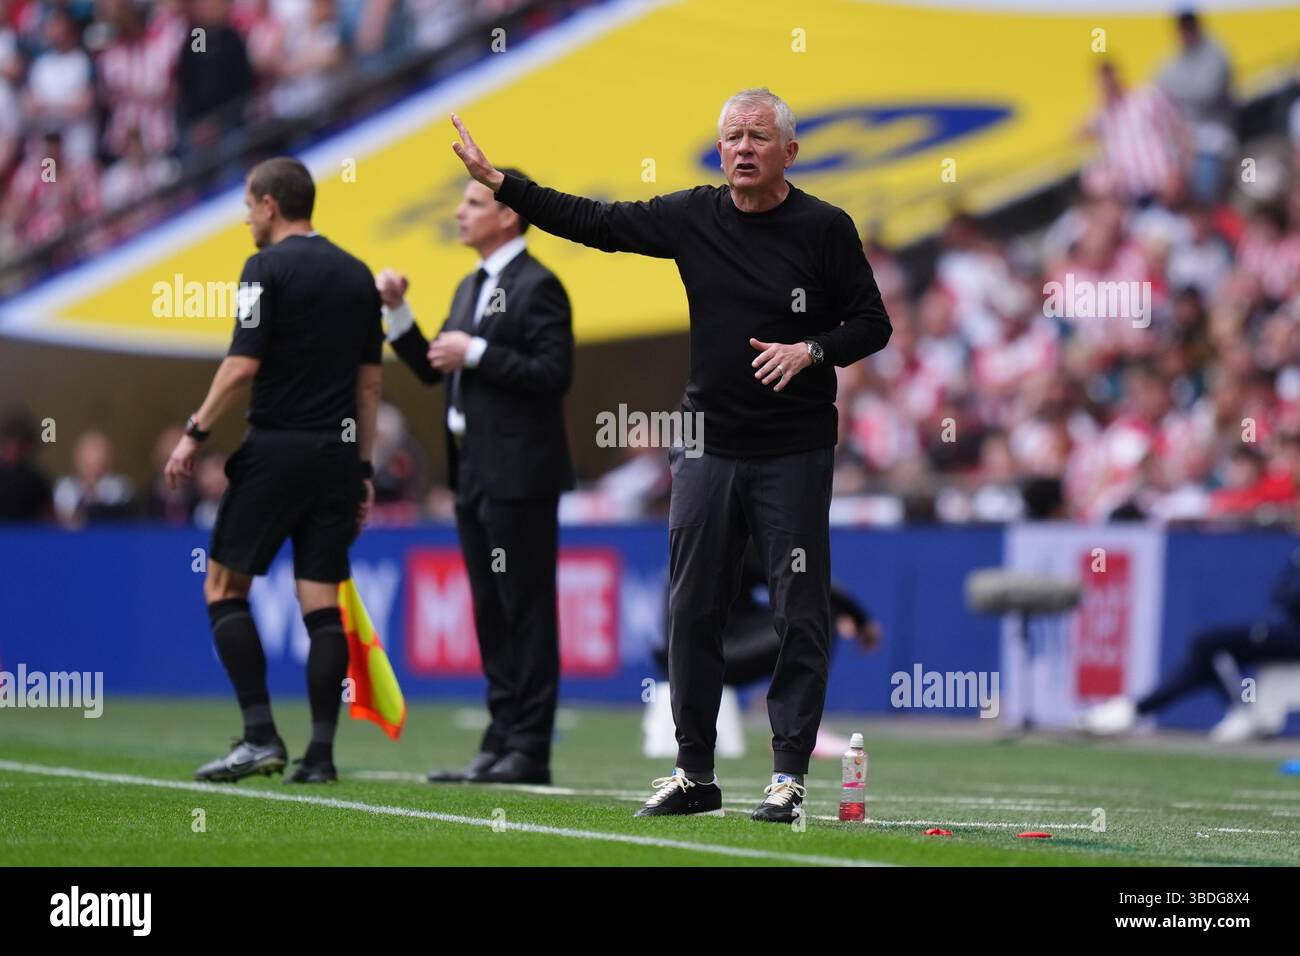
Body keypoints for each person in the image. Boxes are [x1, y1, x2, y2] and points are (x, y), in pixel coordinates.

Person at [448, 87, 892, 822]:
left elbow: (872, 323)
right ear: (719, 152)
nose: (743, 147)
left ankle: (787, 776)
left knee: (799, 609)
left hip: (793, 448)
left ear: (789, 150)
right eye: (731, 137)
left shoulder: (825, 227)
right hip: (704, 445)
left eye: (757, 134)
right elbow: (596, 221)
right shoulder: (694, 215)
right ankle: (695, 773)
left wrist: (811, 350)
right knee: (690, 608)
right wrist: (504, 185)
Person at [164, 157, 383, 784]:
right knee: (321, 605)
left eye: (247, 205)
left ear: (268, 205)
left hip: (277, 451)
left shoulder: (264, 269)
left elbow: (241, 364)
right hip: (338, 458)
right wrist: (363, 467)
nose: (245, 218)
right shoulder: (358, 275)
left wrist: (194, 432)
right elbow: (370, 386)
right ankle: (321, 755)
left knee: (224, 589)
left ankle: (260, 735)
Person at [377, 167, 573, 785]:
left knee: (526, 609)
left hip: (520, 476)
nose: (459, 212)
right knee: (490, 609)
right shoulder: (471, 284)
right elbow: (437, 366)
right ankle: (500, 738)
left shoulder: (539, 285)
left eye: (472, 202)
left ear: (508, 215)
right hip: (475, 475)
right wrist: (398, 312)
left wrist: (479, 354)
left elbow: (553, 372)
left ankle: (529, 749)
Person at [1082, 544, 1300, 740]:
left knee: (1211, 643)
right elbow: (1280, 593)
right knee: (1205, 659)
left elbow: (1289, 596)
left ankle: (1243, 710)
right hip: (1289, 627)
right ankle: (1133, 710)